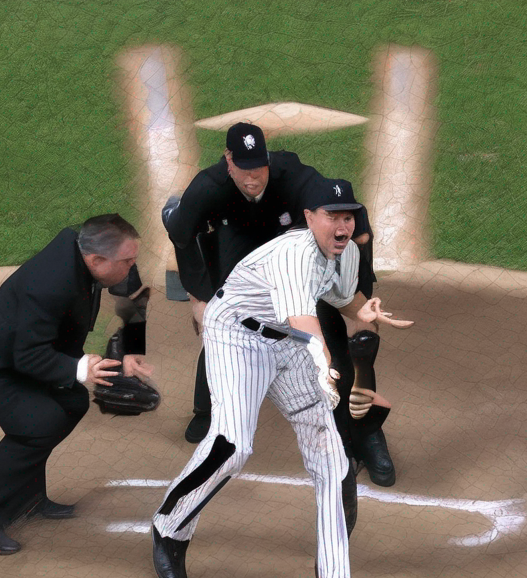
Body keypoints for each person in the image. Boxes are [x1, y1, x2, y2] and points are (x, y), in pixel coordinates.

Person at [150, 178, 413, 578]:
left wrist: (362, 310)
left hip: (287, 344)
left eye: (348, 216)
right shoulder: (293, 253)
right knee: (234, 445)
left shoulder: (344, 253)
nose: (342, 224)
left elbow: (340, 297)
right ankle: (169, 527)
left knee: (334, 461)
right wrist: (326, 366)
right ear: (309, 218)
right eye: (333, 216)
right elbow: (306, 323)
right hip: (237, 336)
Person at [162, 123, 400, 492]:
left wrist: (359, 300)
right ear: (228, 161)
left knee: (336, 344)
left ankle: (363, 432)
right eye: (243, 168)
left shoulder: (292, 176)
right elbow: (181, 236)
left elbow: (353, 222)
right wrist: (199, 299)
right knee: (224, 323)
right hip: (239, 248)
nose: (253, 176)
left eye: (259, 166)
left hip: (291, 246)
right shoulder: (208, 188)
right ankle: (206, 410)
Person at [0, 214, 153, 555]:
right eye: (127, 262)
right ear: (96, 260)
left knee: (72, 404)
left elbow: (134, 293)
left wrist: (132, 348)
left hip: (31, 360)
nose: (132, 268)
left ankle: (27, 496)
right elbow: (28, 355)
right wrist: (80, 368)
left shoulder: (96, 255)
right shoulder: (50, 282)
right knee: (38, 423)